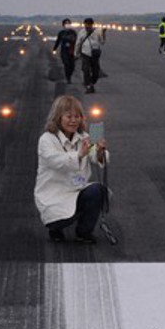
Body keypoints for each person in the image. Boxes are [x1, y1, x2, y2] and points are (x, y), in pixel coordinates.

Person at [34, 95, 109, 244]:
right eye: (69, 116)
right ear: (58, 118)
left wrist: (100, 151)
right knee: (57, 219)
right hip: (54, 196)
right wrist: (79, 155)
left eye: (77, 116)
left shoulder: (85, 136)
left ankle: (83, 232)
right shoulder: (46, 139)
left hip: (77, 190)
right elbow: (55, 161)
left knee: (98, 190)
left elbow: (97, 157)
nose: (74, 120)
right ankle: (55, 228)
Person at [77, 18, 104, 94]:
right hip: (85, 53)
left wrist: (103, 34)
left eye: (89, 24)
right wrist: (76, 54)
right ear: (84, 24)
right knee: (86, 70)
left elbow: (102, 42)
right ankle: (88, 86)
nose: (87, 26)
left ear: (92, 24)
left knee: (96, 72)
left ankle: (91, 84)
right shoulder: (81, 32)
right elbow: (78, 43)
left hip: (95, 54)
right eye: (86, 24)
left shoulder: (97, 31)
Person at [52, 19, 78, 84]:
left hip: (72, 51)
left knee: (72, 66)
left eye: (68, 23)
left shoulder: (73, 32)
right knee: (66, 64)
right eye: (66, 23)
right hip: (64, 51)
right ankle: (68, 78)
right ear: (63, 25)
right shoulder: (61, 33)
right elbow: (58, 41)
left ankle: (70, 75)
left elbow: (77, 41)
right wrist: (54, 49)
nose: (67, 25)